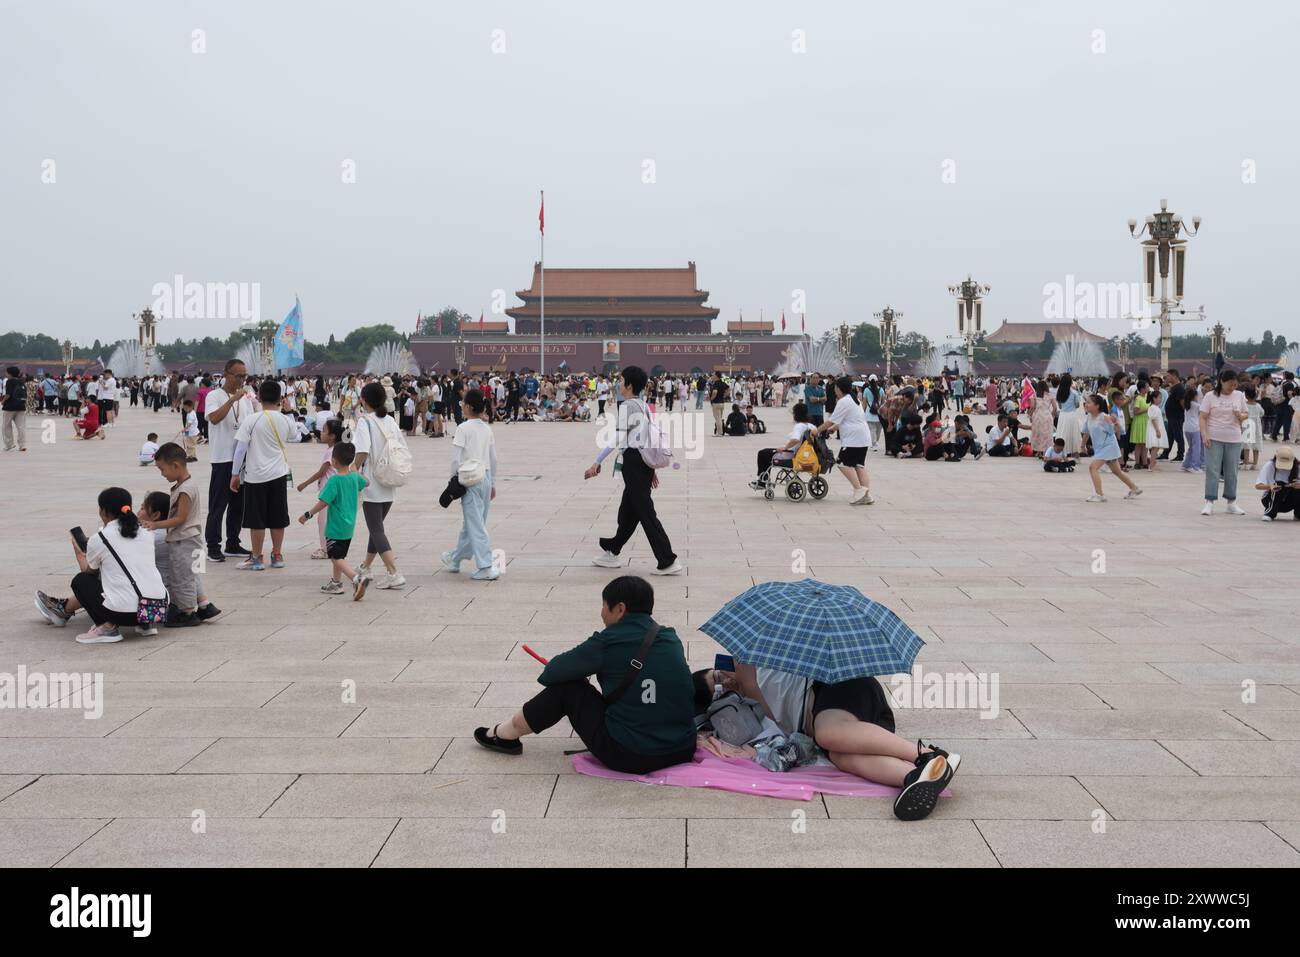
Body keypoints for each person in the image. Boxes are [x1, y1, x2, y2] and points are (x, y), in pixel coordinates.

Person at [473, 576, 698, 774]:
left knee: (568, 688)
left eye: (603, 606)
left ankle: (505, 734)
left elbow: (552, 673)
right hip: (682, 748)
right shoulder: (669, 638)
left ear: (620, 608)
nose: (601, 612)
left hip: (632, 755)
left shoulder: (608, 641)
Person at [693, 664, 960, 822]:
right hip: (854, 729)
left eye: (718, 675)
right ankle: (917, 777)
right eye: (719, 687)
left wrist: (749, 677)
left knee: (828, 735)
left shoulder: (759, 662)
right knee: (840, 758)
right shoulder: (744, 714)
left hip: (838, 690)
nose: (726, 681)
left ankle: (927, 754)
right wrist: (746, 691)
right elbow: (776, 733)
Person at [586, 366, 682, 576]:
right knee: (628, 511)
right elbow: (648, 437)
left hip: (633, 461)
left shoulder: (627, 406)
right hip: (641, 462)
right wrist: (650, 467)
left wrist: (597, 461)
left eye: (621, 381)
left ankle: (667, 560)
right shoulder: (643, 405)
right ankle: (613, 550)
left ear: (629, 385)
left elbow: (618, 437)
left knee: (645, 512)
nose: (618, 385)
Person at [68, 488, 168, 643]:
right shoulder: (147, 532)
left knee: (80, 581)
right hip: (157, 609)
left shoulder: (100, 538)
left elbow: (89, 572)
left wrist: (79, 554)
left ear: (103, 512)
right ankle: (145, 625)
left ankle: (106, 628)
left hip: (126, 614)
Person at [230, 379, 297, 571]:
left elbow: (240, 449)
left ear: (259, 397)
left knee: (256, 519)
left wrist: (235, 474)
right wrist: (289, 410)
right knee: (278, 516)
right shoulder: (285, 419)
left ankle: (257, 557)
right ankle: (277, 555)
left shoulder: (252, 419)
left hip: (255, 476)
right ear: (280, 398)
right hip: (278, 474)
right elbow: (295, 435)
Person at [144, 443, 208, 627]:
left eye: (162, 469)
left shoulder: (185, 489)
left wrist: (155, 524)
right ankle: (198, 606)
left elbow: (180, 518)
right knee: (187, 575)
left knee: (183, 577)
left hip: (185, 540)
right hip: (189, 539)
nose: (162, 474)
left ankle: (187, 613)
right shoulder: (184, 485)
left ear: (175, 466)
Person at [298, 441, 371, 598]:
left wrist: (308, 514)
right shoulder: (353, 478)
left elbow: (324, 502)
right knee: (340, 556)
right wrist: (355, 470)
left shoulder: (334, 481)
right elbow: (367, 482)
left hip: (335, 527)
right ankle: (336, 583)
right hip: (348, 527)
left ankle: (357, 578)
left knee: (335, 557)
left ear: (334, 461)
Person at [352, 381, 407, 589]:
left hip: (372, 482)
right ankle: (366, 566)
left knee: (376, 529)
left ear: (364, 401)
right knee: (377, 528)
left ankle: (394, 572)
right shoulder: (390, 421)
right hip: (390, 480)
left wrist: (352, 471)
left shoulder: (365, 422)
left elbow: (362, 450)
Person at [440, 389, 500, 580]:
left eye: (462, 404)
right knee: (473, 523)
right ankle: (455, 558)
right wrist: (493, 484)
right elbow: (494, 458)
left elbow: (456, 460)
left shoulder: (463, 428)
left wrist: (452, 480)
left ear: (468, 407)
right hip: (486, 476)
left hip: (469, 478)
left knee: (475, 525)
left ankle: (485, 566)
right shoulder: (486, 428)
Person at [204, 359, 254, 563]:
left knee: (238, 505)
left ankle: (233, 542)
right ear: (226, 374)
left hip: (241, 459)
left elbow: (250, 425)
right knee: (218, 504)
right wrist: (232, 400)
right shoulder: (214, 396)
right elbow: (214, 418)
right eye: (238, 376)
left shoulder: (246, 400)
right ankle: (213, 545)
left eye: (244, 376)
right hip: (222, 457)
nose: (241, 380)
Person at [815, 376, 873, 504]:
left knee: (842, 463)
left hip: (854, 438)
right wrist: (834, 428)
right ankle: (866, 495)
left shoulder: (844, 401)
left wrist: (816, 430)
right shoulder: (854, 399)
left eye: (835, 387)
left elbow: (830, 421)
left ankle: (858, 490)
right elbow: (845, 419)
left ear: (838, 388)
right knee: (859, 466)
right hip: (862, 436)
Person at [1200, 370, 1249, 516]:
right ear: (1222, 381)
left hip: (1234, 438)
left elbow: (1246, 414)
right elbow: (1202, 417)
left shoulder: (1239, 395)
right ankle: (1209, 501)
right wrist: (1204, 435)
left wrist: (1240, 415)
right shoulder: (1210, 396)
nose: (1232, 387)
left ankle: (1231, 502)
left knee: (1232, 472)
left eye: (1235, 385)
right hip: (1214, 437)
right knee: (1212, 470)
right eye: (1230, 384)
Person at [297, 417, 343, 560]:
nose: (321, 433)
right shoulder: (337, 449)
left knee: (323, 521)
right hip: (335, 491)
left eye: (324, 431)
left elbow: (321, 472)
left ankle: (325, 549)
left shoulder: (330, 452)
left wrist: (305, 483)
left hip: (328, 492)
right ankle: (332, 546)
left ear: (332, 436)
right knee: (331, 521)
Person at [1082, 393, 1141, 503]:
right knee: (1117, 471)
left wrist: (1116, 423)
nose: (1086, 404)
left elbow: (1115, 429)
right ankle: (1134, 488)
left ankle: (1100, 495)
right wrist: (1082, 445)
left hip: (1108, 447)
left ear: (1097, 406)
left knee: (1093, 467)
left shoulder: (1104, 417)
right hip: (1101, 448)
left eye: (1089, 402)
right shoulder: (1089, 417)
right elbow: (1086, 432)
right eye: (1086, 402)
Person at [751, 402, 815, 487]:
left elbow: (796, 439)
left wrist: (785, 447)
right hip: (803, 454)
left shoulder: (799, 426)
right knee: (766, 452)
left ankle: (763, 481)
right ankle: (764, 479)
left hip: (791, 455)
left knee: (762, 453)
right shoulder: (812, 426)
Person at [1256, 445, 1300, 522]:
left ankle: (1298, 515)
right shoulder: (1270, 465)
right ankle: (1269, 513)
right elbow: (1258, 486)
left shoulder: (1298, 467)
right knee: (1279, 484)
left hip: (1289, 501)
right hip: (1270, 499)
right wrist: (1270, 486)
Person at [2, 366, 26, 452]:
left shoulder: (9, 381)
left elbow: (8, 394)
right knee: (21, 427)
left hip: (10, 407)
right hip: (21, 406)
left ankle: (9, 444)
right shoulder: (21, 381)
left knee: (6, 426)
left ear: (10, 374)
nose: (6, 374)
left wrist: (3, 401)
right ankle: (22, 445)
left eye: (6, 372)